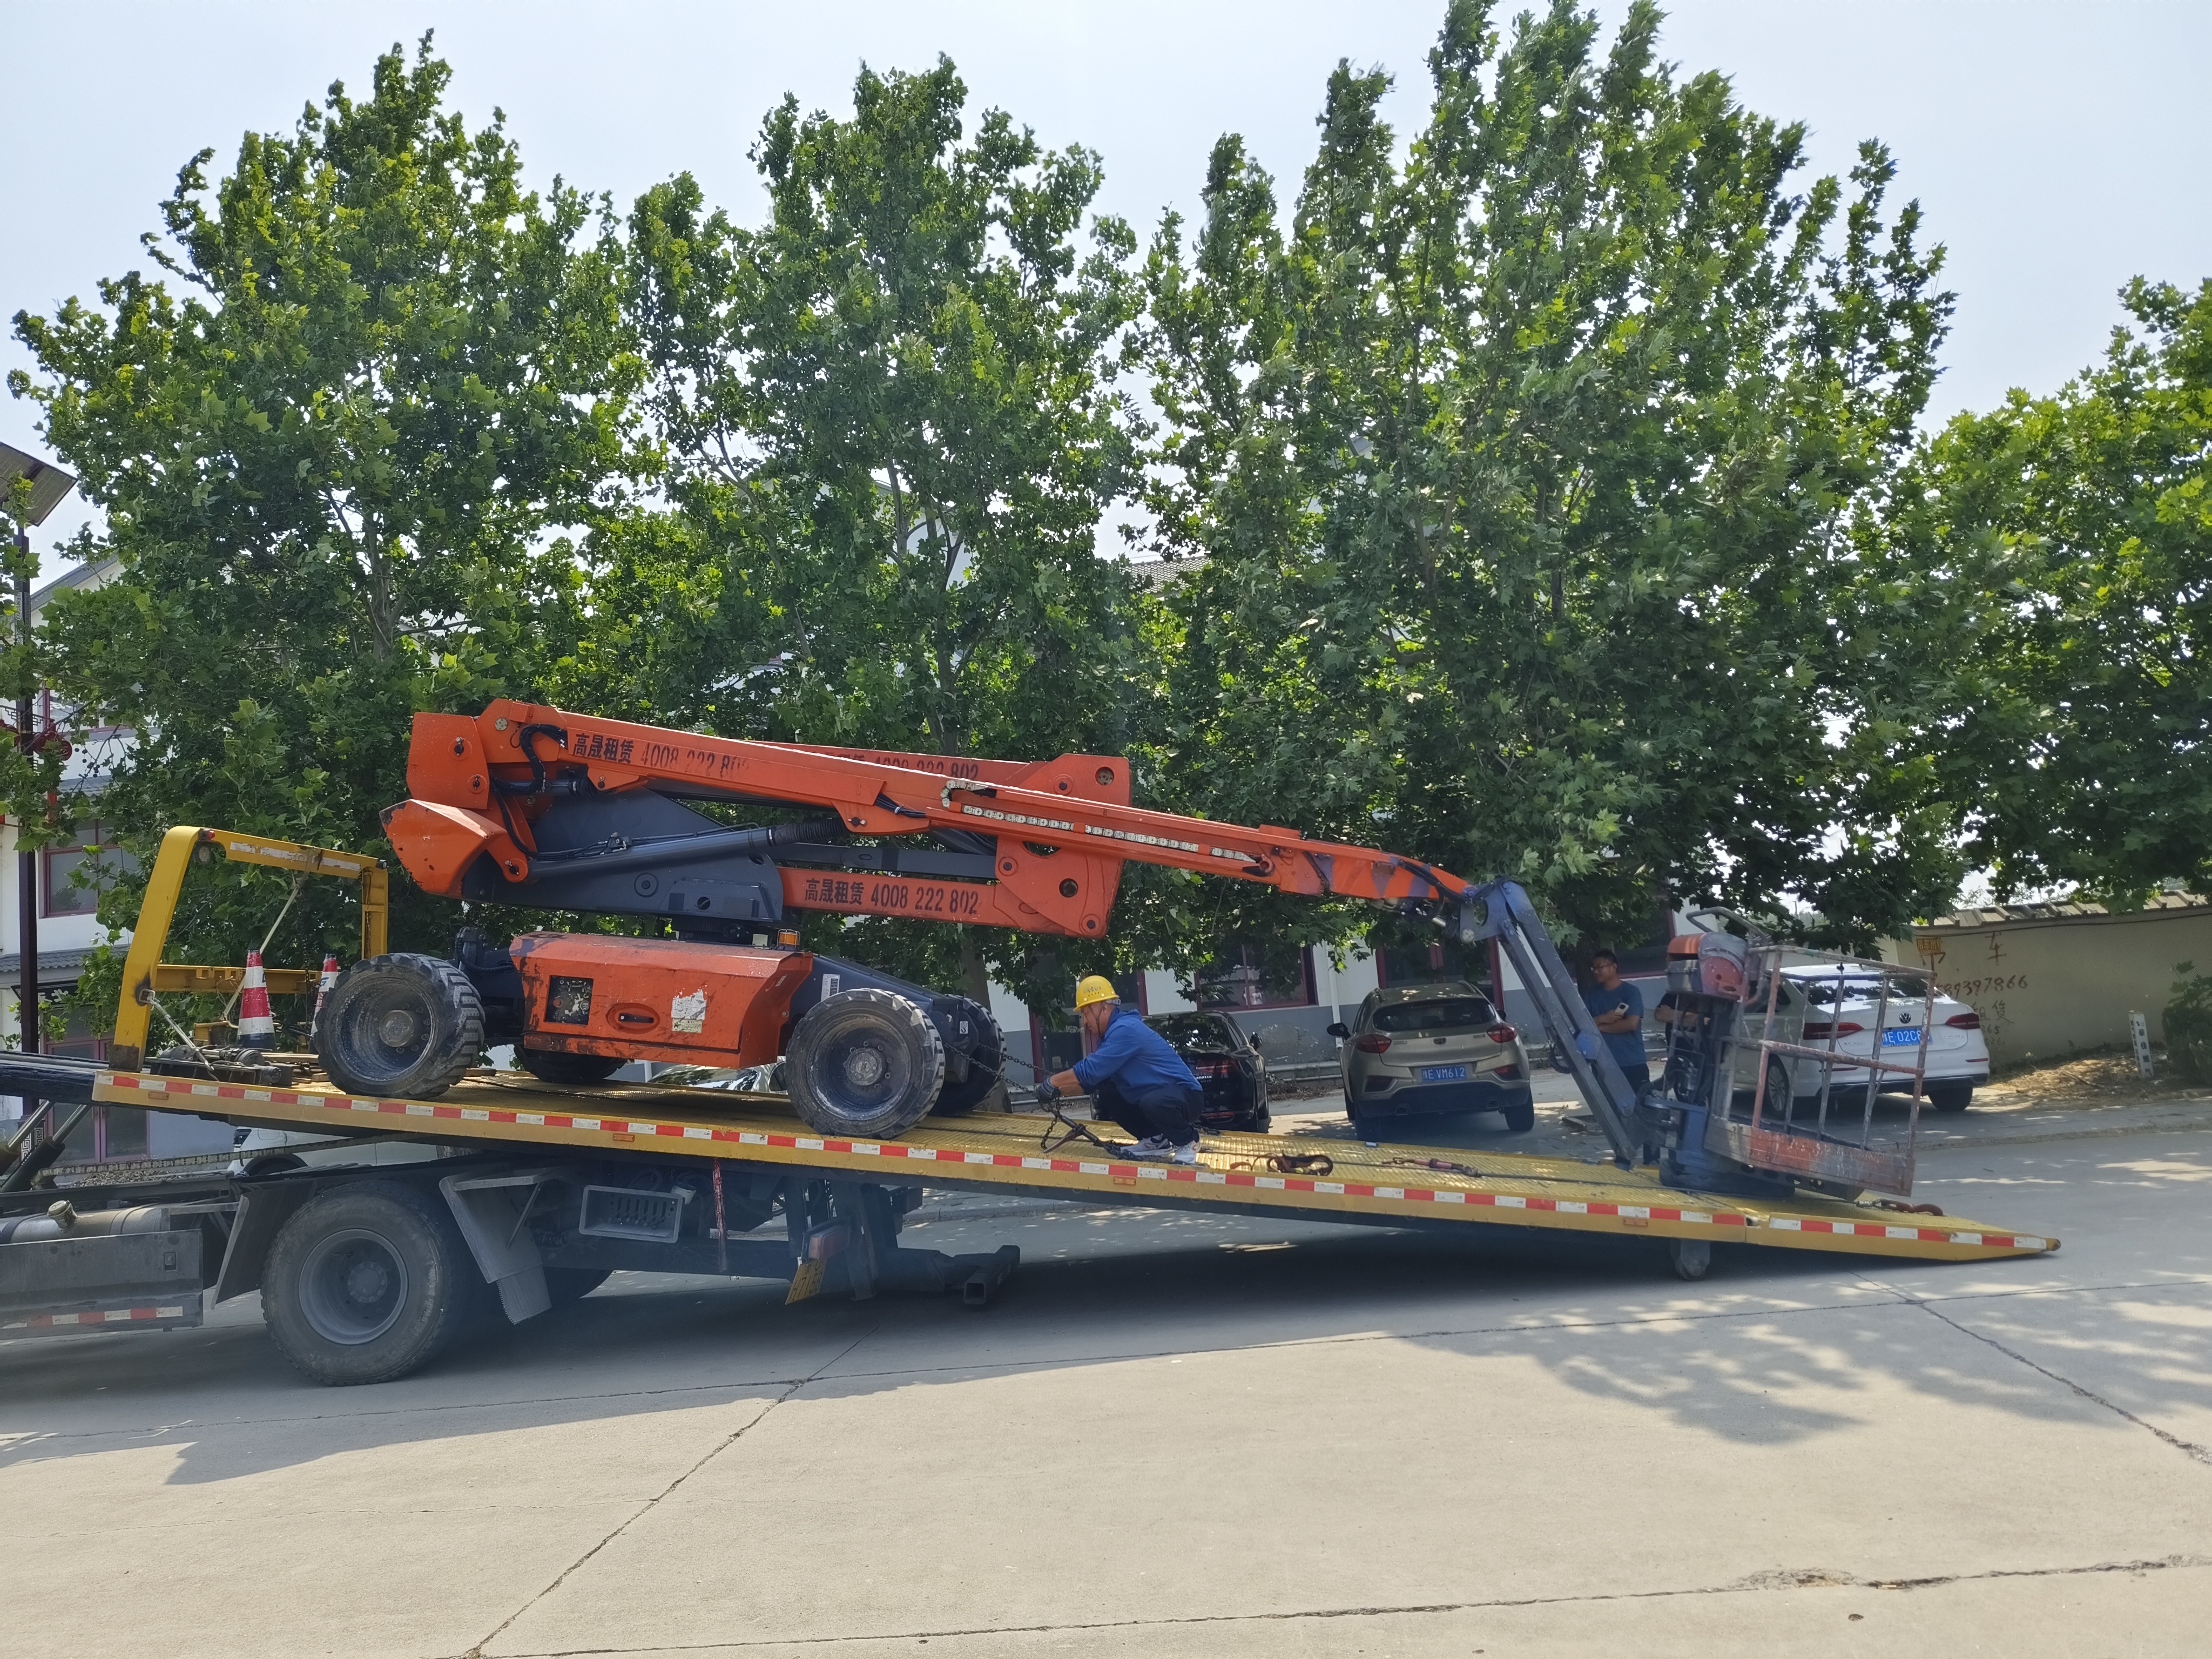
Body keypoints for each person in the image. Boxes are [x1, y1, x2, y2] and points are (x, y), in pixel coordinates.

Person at [1040, 976, 1204, 1165]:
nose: (1085, 1021)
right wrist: (1054, 1092)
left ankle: (1188, 1142)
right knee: (1107, 1089)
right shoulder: (1113, 1034)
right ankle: (1155, 1141)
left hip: (1187, 1095)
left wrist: (1052, 1082)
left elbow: (1090, 1070)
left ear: (1103, 1008)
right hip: (1164, 1096)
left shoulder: (1126, 1030)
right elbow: (1090, 1082)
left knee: (1153, 1102)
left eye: (1086, 1013)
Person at [1583, 948, 1651, 1098]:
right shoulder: (1592, 995)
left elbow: (1631, 1024)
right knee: (1610, 1106)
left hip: (1631, 1060)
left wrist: (1600, 1028)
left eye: (1600, 967)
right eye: (1594, 968)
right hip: (1603, 1062)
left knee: (1640, 1104)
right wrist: (1602, 1019)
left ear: (1614, 967)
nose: (1596, 972)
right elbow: (1584, 1025)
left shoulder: (1631, 992)